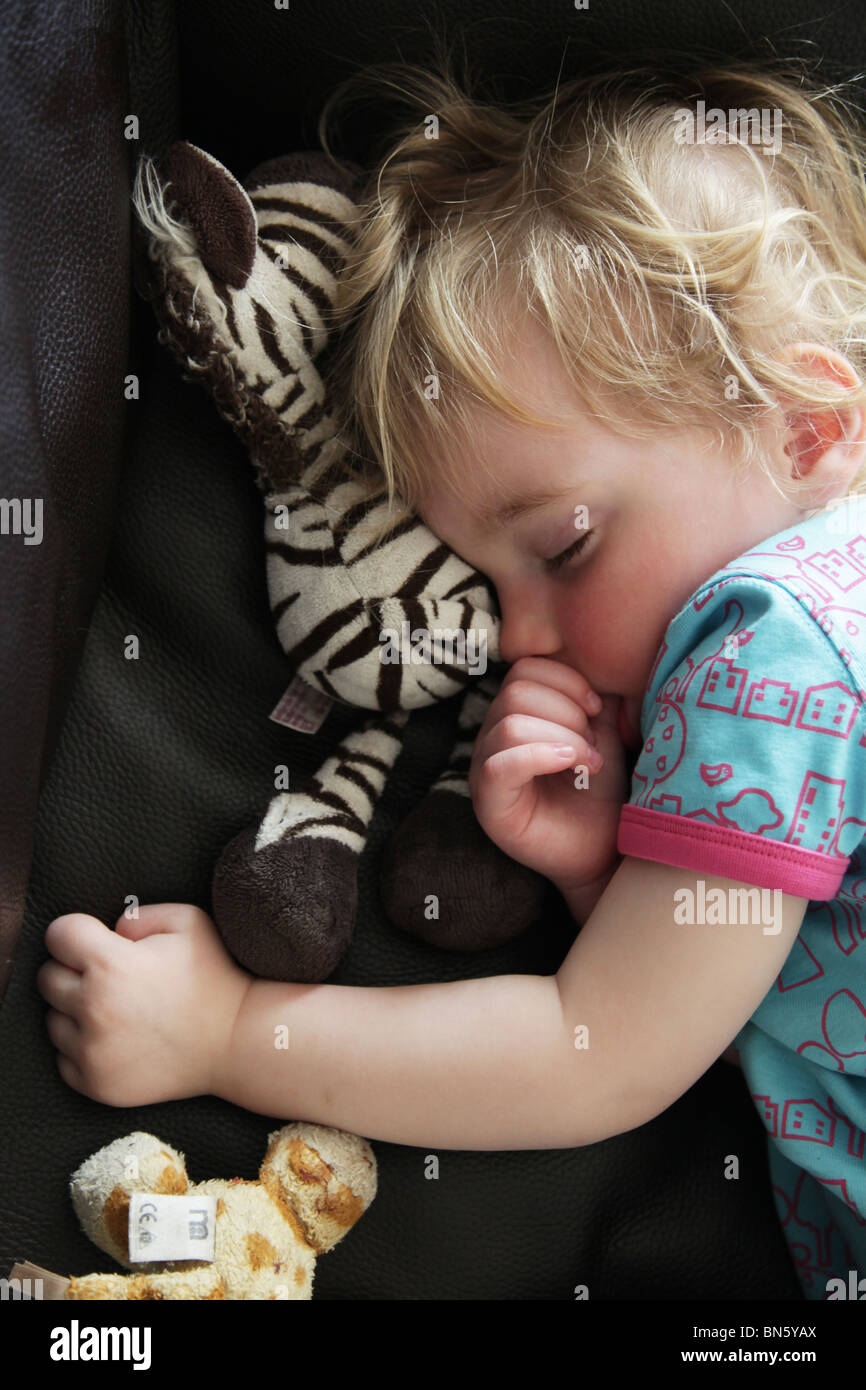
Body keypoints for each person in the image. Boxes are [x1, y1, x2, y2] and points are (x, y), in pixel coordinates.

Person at [36, 55, 866, 1300]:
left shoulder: (767, 640)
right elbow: (734, 966)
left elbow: (596, 1058)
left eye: (566, 546)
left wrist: (221, 1032)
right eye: (483, 577)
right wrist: (608, 870)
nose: (518, 637)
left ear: (804, 428)